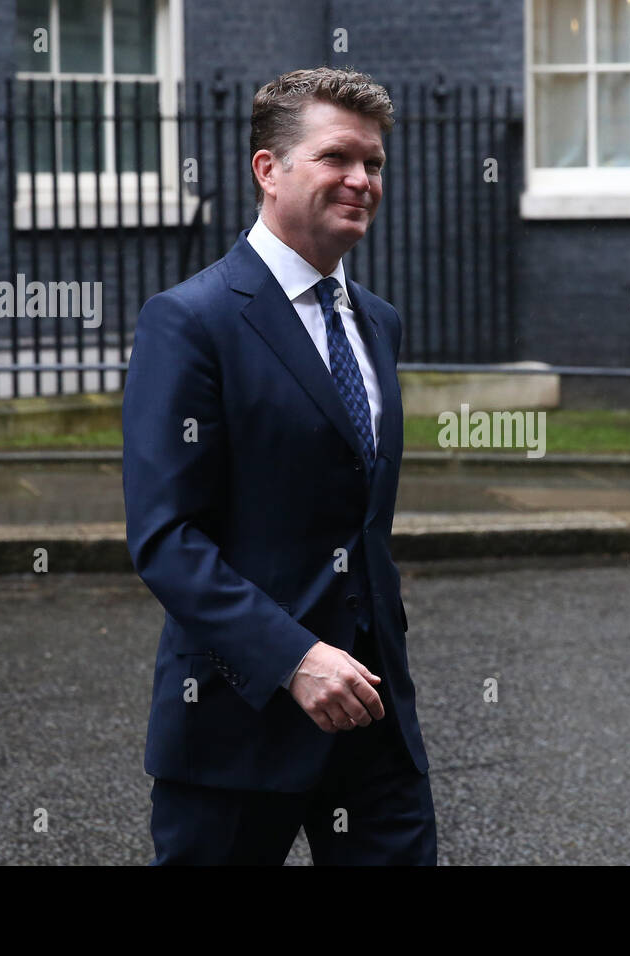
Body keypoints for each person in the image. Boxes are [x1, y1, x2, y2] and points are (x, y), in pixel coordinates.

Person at [123, 67, 435, 865]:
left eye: (374, 164)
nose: (362, 180)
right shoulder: (189, 321)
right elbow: (167, 537)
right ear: (269, 169)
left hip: (372, 716)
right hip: (237, 720)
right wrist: (294, 658)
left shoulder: (378, 323)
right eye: (338, 158)